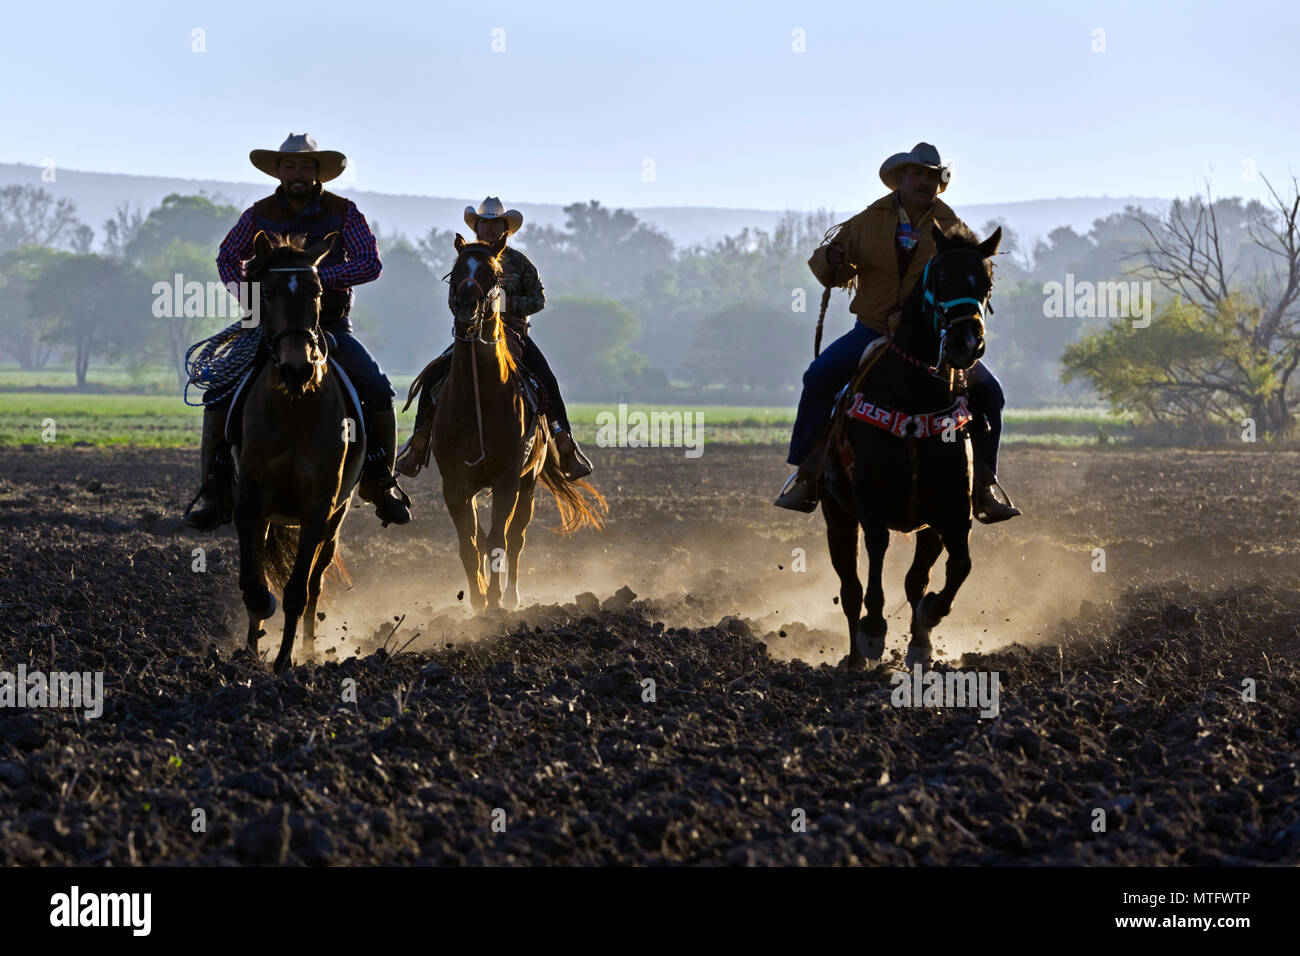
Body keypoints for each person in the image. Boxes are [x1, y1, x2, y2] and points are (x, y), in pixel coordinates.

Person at [774, 142, 1021, 523]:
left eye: (932, 176)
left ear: (940, 184)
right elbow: (830, 270)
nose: (924, 182)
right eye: (917, 174)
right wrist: (831, 260)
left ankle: (984, 485)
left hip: (933, 341)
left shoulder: (953, 227)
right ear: (900, 179)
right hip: (871, 330)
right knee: (818, 377)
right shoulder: (868, 221)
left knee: (991, 393)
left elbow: (974, 275)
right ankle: (807, 475)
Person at [182, 133, 411, 529]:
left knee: (377, 389)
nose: (297, 173)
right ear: (279, 171)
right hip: (267, 325)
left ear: (317, 171)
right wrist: (247, 294)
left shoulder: (345, 213)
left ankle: (381, 479)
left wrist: (315, 277)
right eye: (290, 166)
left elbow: (370, 264)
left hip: (329, 325)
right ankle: (213, 488)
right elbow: (226, 257)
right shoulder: (258, 213)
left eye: (305, 166)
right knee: (218, 390)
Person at [396, 197, 593, 480]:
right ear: (476, 226)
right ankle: (418, 443)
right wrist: (468, 313)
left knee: (547, 380)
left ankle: (565, 445)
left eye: (494, 223)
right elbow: (455, 298)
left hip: (515, 334)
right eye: (484, 223)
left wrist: (506, 304)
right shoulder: (465, 260)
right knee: (431, 378)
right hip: (471, 334)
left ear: (505, 229)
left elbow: (539, 300)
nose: (489, 228)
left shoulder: (519, 262)